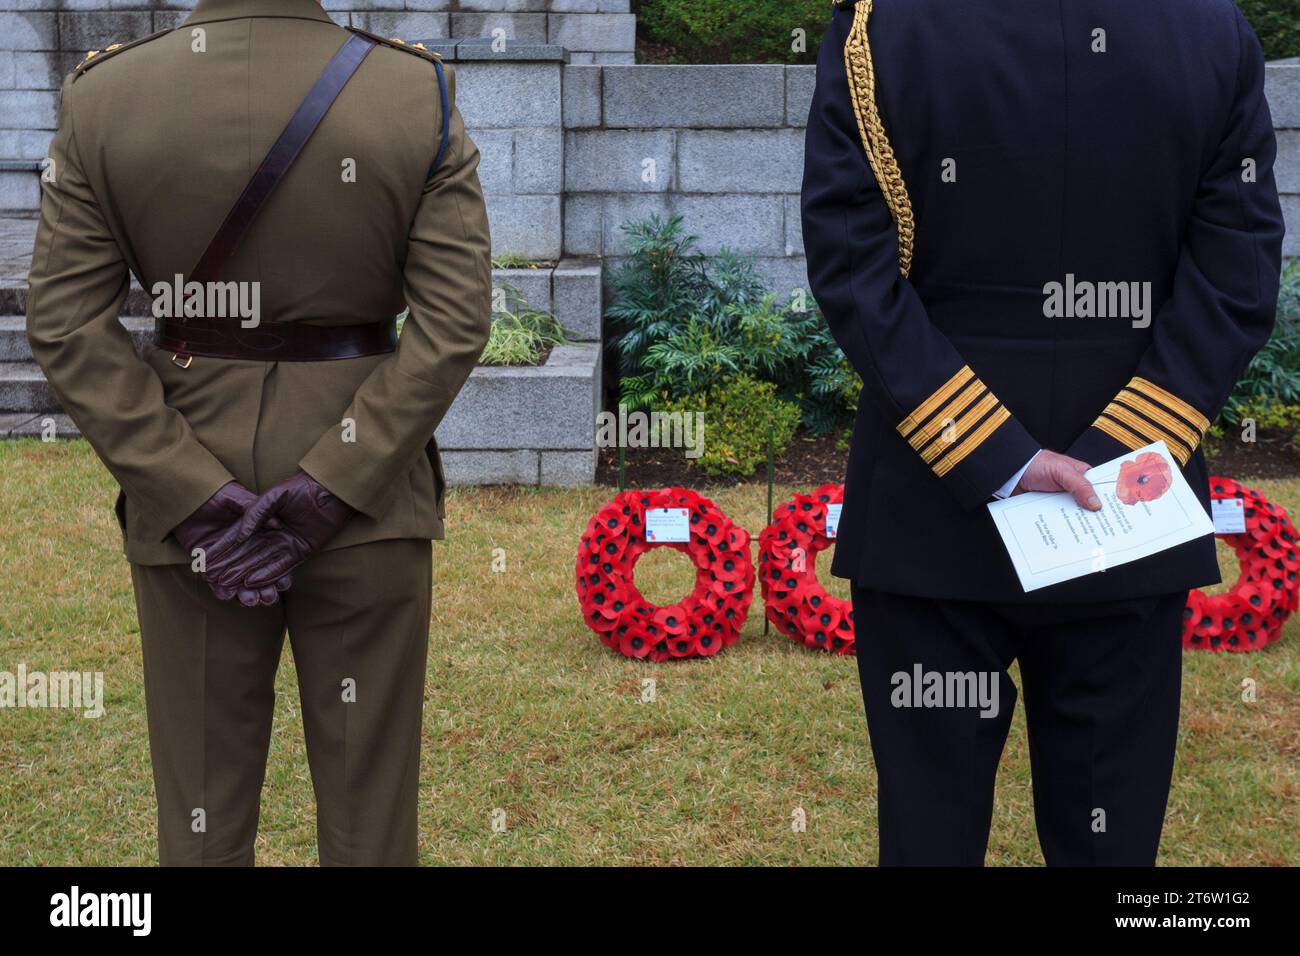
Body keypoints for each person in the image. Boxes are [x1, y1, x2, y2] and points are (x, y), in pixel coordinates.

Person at [801, 0, 1283, 865]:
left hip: (933, 515)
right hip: (1128, 516)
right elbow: (1238, 274)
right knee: (1110, 846)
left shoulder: (886, 28)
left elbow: (851, 268)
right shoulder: (1210, 28)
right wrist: (1116, 457)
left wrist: (1002, 457)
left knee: (928, 838)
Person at [26, 0, 492, 865]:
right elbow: (455, 322)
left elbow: (63, 324)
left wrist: (192, 496)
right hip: (366, 491)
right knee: (369, 822)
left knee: (201, 815)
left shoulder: (106, 94)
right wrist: (331, 487)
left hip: (193, 477)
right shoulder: (409, 87)